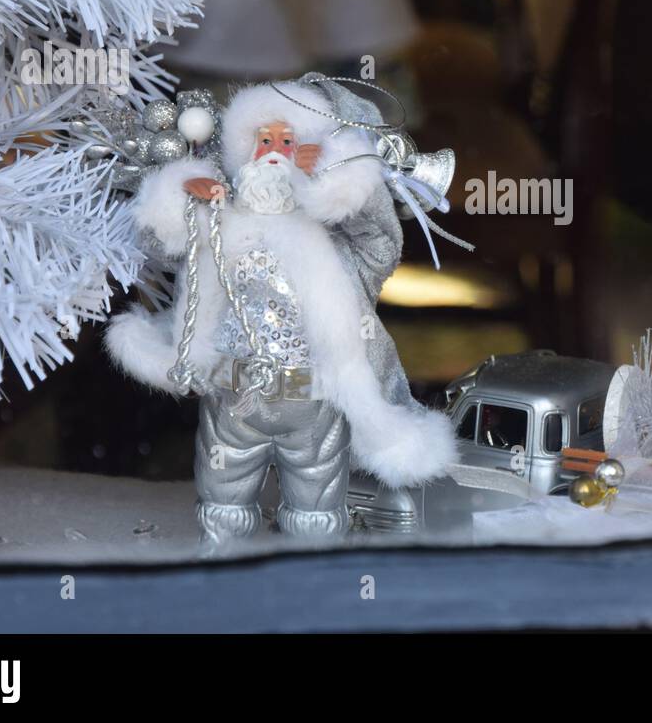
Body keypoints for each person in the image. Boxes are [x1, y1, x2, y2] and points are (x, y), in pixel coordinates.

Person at [106, 78, 456, 547]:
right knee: (222, 503)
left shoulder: (343, 250)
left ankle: (308, 590)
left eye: (287, 141)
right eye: (264, 140)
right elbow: (156, 243)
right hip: (232, 399)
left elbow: (381, 237)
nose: (274, 152)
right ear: (242, 150)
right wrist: (179, 193)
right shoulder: (218, 223)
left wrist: (339, 175)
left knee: (315, 510)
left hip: (315, 404)